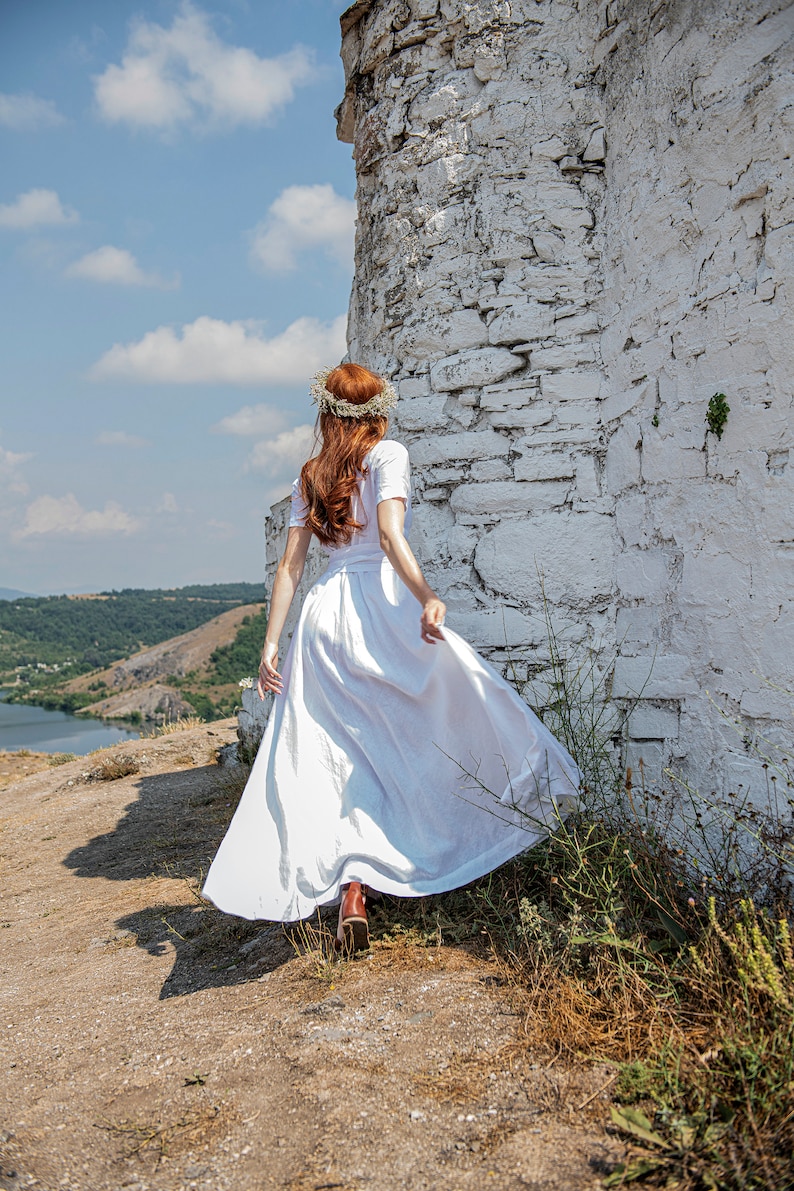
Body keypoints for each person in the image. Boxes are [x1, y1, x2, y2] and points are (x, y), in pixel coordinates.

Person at [202, 363, 581, 951]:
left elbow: (290, 569)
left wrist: (272, 643)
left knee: (333, 752)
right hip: (378, 607)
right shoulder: (388, 456)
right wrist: (427, 596)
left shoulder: (312, 474)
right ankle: (430, 847)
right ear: (377, 411)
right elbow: (389, 538)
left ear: (327, 413)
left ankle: (352, 889)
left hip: (324, 616)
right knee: (438, 713)